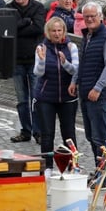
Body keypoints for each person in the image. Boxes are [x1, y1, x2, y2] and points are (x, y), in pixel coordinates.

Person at [71, 0, 106, 163]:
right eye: (86, 16)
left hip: (100, 95)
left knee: (100, 137)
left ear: (100, 16)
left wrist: (98, 88)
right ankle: (100, 168)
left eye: (93, 16)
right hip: (85, 92)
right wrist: (74, 80)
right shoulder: (87, 36)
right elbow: (82, 62)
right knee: (91, 135)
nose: (89, 19)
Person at [34, 16, 80, 155]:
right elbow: (38, 73)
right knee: (47, 134)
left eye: (59, 30)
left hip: (68, 97)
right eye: (53, 31)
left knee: (69, 134)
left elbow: (75, 71)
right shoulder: (41, 48)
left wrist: (65, 63)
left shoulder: (71, 47)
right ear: (48, 32)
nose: (57, 33)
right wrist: (42, 60)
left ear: (64, 31)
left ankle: (72, 164)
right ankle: (47, 164)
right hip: (46, 97)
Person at [9, 0, 47, 144]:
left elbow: (38, 28)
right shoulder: (9, 7)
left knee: (35, 98)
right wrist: (26, 22)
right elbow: (9, 28)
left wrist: (18, 27)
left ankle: (38, 131)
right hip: (16, 60)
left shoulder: (38, 7)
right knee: (22, 99)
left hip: (33, 60)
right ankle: (25, 130)